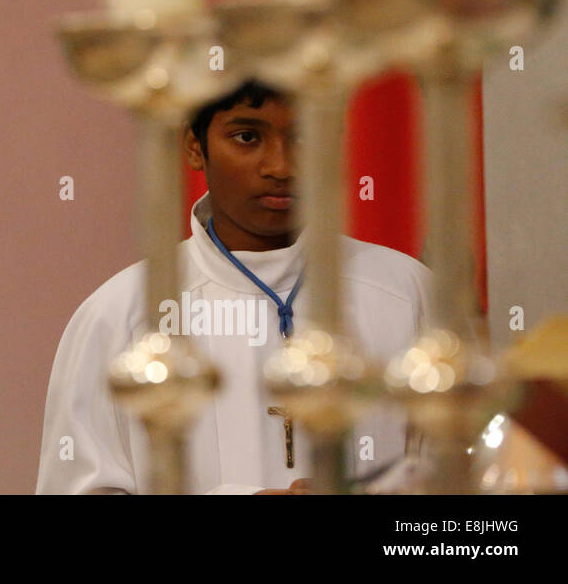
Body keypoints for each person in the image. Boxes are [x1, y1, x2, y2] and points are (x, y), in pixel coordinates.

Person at [36, 80, 431, 494]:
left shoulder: (407, 293)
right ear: (194, 145)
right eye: (247, 137)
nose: (281, 167)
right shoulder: (121, 315)